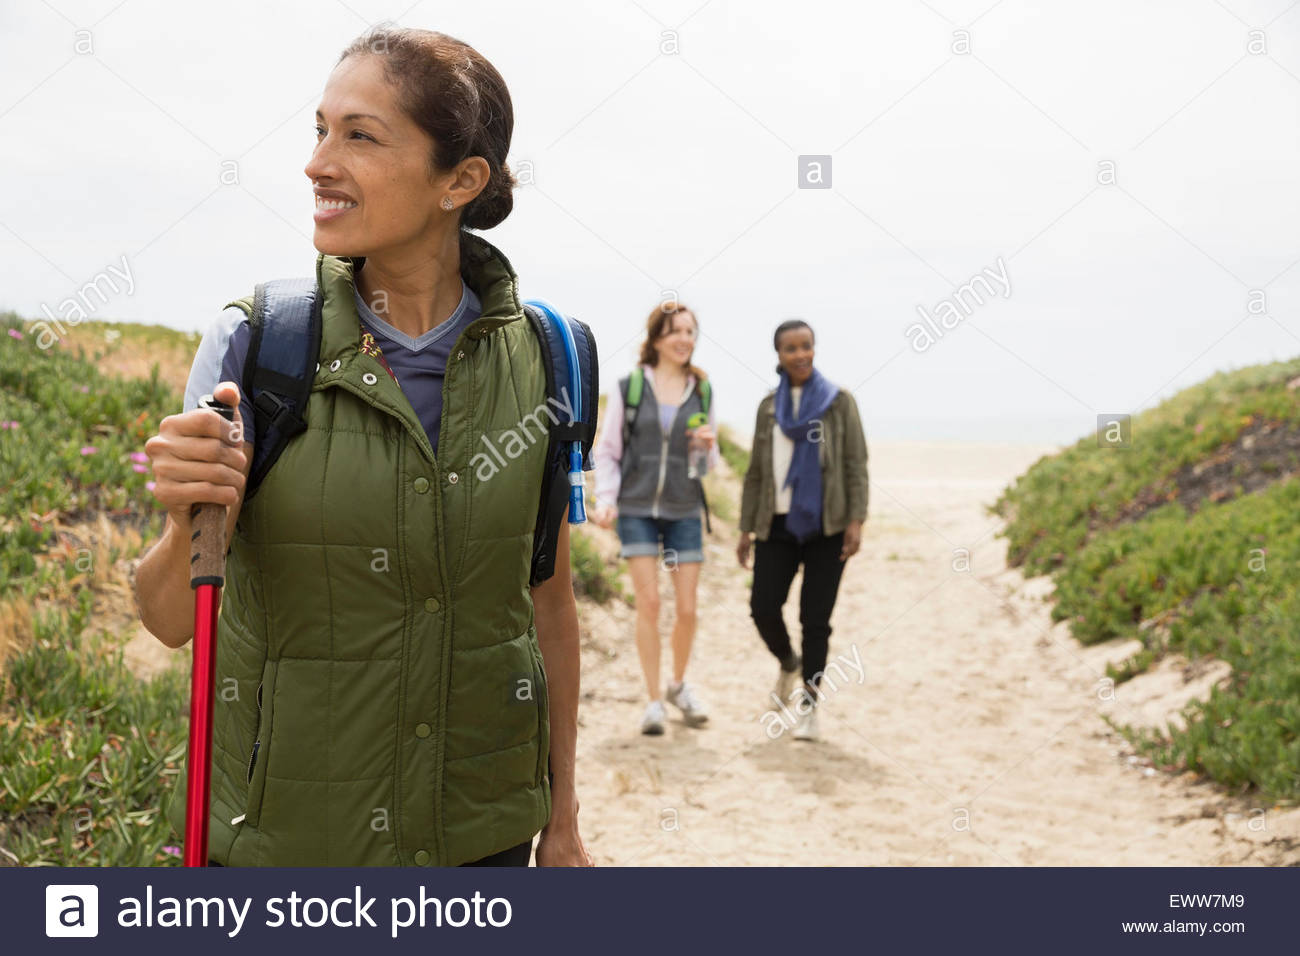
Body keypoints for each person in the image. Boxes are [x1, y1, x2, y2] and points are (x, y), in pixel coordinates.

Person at [133, 27, 592, 867]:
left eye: (360, 135)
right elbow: (168, 621)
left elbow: (547, 605)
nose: (317, 163)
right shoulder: (256, 347)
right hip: (292, 851)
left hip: (483, 840)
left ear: (461, 180)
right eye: (320, 129)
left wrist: (561, 821)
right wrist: (180, 524)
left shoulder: (554, 358)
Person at [591, 303, 720, 735]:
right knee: (649, 604)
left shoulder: (701, 391)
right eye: (676, 331)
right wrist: (607, 499)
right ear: (657, 338)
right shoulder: (628, 387)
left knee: (687, 608)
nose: (685, 339)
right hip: (637, 509)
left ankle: (678, 686)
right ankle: (652, 703)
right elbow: (607, 452)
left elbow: (708, 465)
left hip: (684, 509)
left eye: (691, 331)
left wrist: (707, 446)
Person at [737, 320, 868, 742]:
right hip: (775, 524)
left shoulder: (838, 402)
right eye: (791, 348)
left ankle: (809, 705)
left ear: (815, 349)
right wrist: (745, 528)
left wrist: (856, 520)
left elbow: (854, 463)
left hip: (826, 526)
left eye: (806, 346)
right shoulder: (769, 407)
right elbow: (756, 471)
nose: (800, 354)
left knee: (816, 619)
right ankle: (789, 662)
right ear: (778, 354)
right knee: (762, 607)